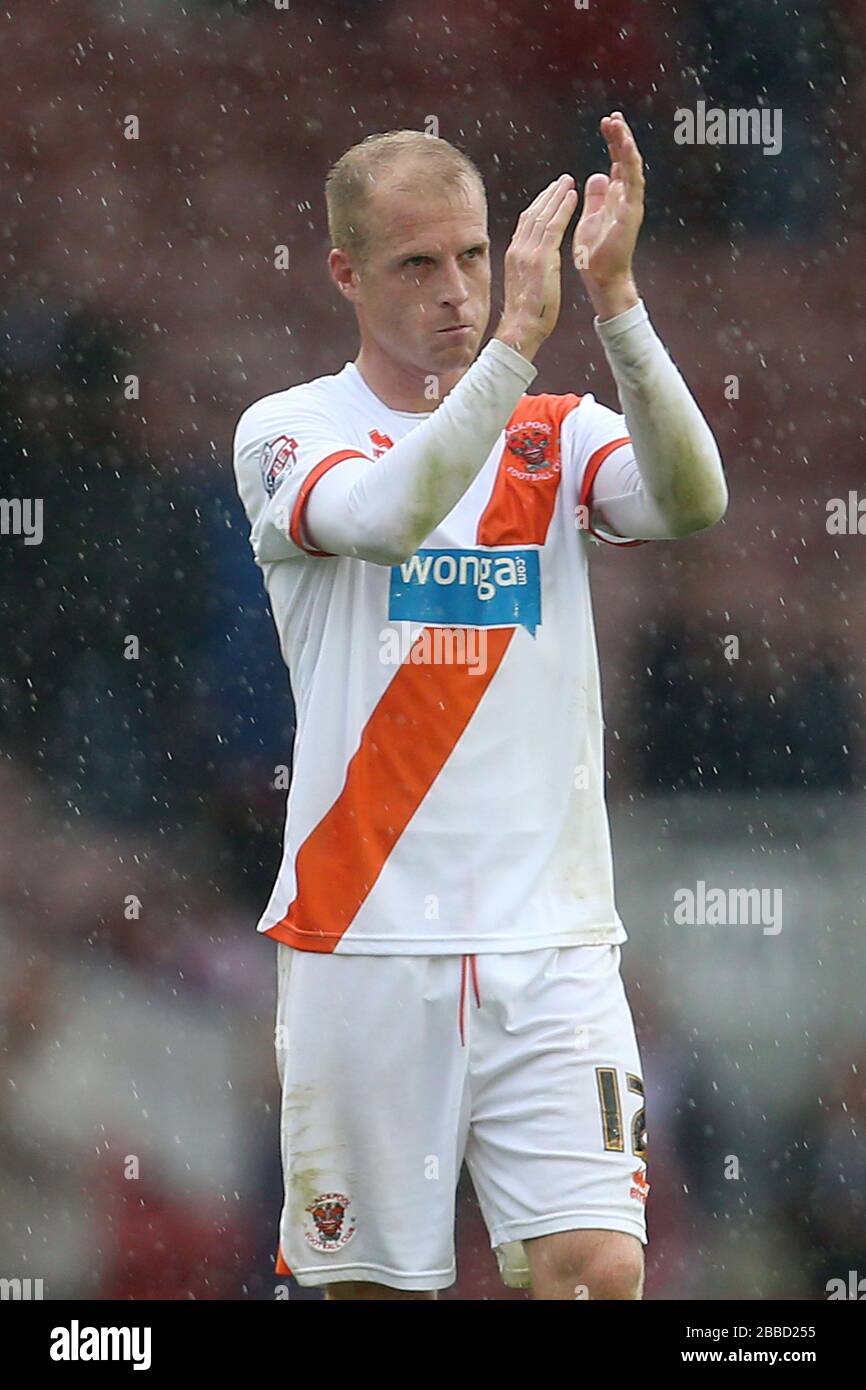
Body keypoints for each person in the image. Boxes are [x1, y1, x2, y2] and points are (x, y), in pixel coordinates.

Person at [233, 112, 728, 1300]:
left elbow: (689, 499)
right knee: (372, 1291)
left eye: (469, 256)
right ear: (346, 273)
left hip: (549, 938)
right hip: (362, 935)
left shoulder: (552, 436)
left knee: (596, 1271)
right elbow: (385, 517)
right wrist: (509, 349)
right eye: (416, 264)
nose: (454, 290)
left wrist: (614, 304)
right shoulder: (288, 430)